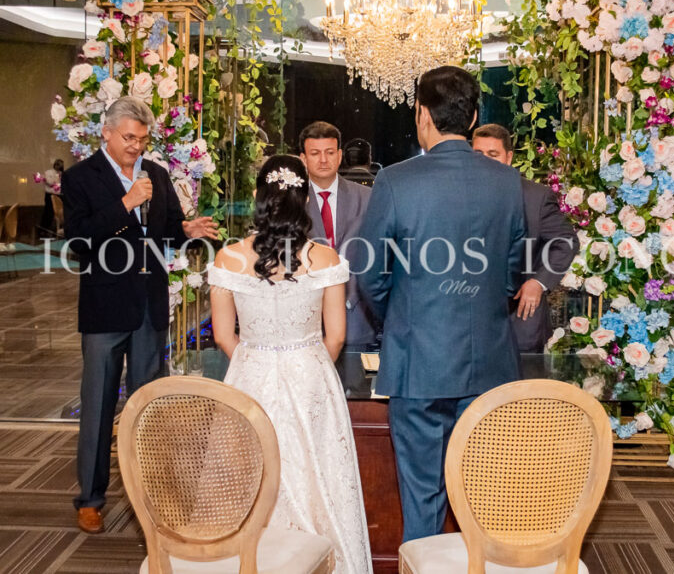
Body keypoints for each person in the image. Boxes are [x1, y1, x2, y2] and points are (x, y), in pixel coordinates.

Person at [356, 66, 527, 542]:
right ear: (472, 117)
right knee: (484, 500)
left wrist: (406, 316)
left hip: (419, 365)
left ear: (421, 115)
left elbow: (369, 273)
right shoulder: (507, 182)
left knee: (422, 497)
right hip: (489, 364)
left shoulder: (394, 181)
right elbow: (513, 270)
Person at [209, 155, 373, 574]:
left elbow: (224, 335)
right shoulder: (327, 259)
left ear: (257, 198)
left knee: (248, 477)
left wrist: (256, 362)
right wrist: (307, 363)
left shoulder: (229, 258)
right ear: (303, 200)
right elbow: (335, 335)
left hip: (251, 375)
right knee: (320, 479)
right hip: (311, 376)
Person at [62, 96, 218, 534]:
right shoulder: (79, 179)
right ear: (106, 133)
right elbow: (77, 242)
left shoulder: (157, 174)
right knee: (98, 407)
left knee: (150, 407)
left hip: (149, 306)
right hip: (105, 309)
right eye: (129, 138)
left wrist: (186, 230)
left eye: (143, 140)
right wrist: (125, 203)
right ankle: (90, 498)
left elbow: (165, 232)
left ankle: (152, 491)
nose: (136, 147)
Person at [472, 124, 577, 352]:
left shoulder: (536, 197)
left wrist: (538, 282)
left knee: (524, 386)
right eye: (478, 154)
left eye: (493, 154)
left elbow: (566, 241)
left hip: (520, 322)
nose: (485, 161)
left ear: (508, 158)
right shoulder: (457, 196)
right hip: (469, 327)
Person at [300, 122, 378, 350]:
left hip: (357, 319)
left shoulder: (368, 197)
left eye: (330, 152)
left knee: (357, 384)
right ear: (303, 158)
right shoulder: (292, 202)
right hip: (306, 320)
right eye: (315, 153)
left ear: (340, 155)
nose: (323, 160)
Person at [40, 158, 64, 233]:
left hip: (59, 195)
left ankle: (57, 229)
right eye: (59, 165)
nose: (59, 167)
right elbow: (49, 182)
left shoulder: (61, 173)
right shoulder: (48, 172)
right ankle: (43, 229)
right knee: (49, 212)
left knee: (59, 213)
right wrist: (56, 179)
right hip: (50, 195)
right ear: (55, 165)